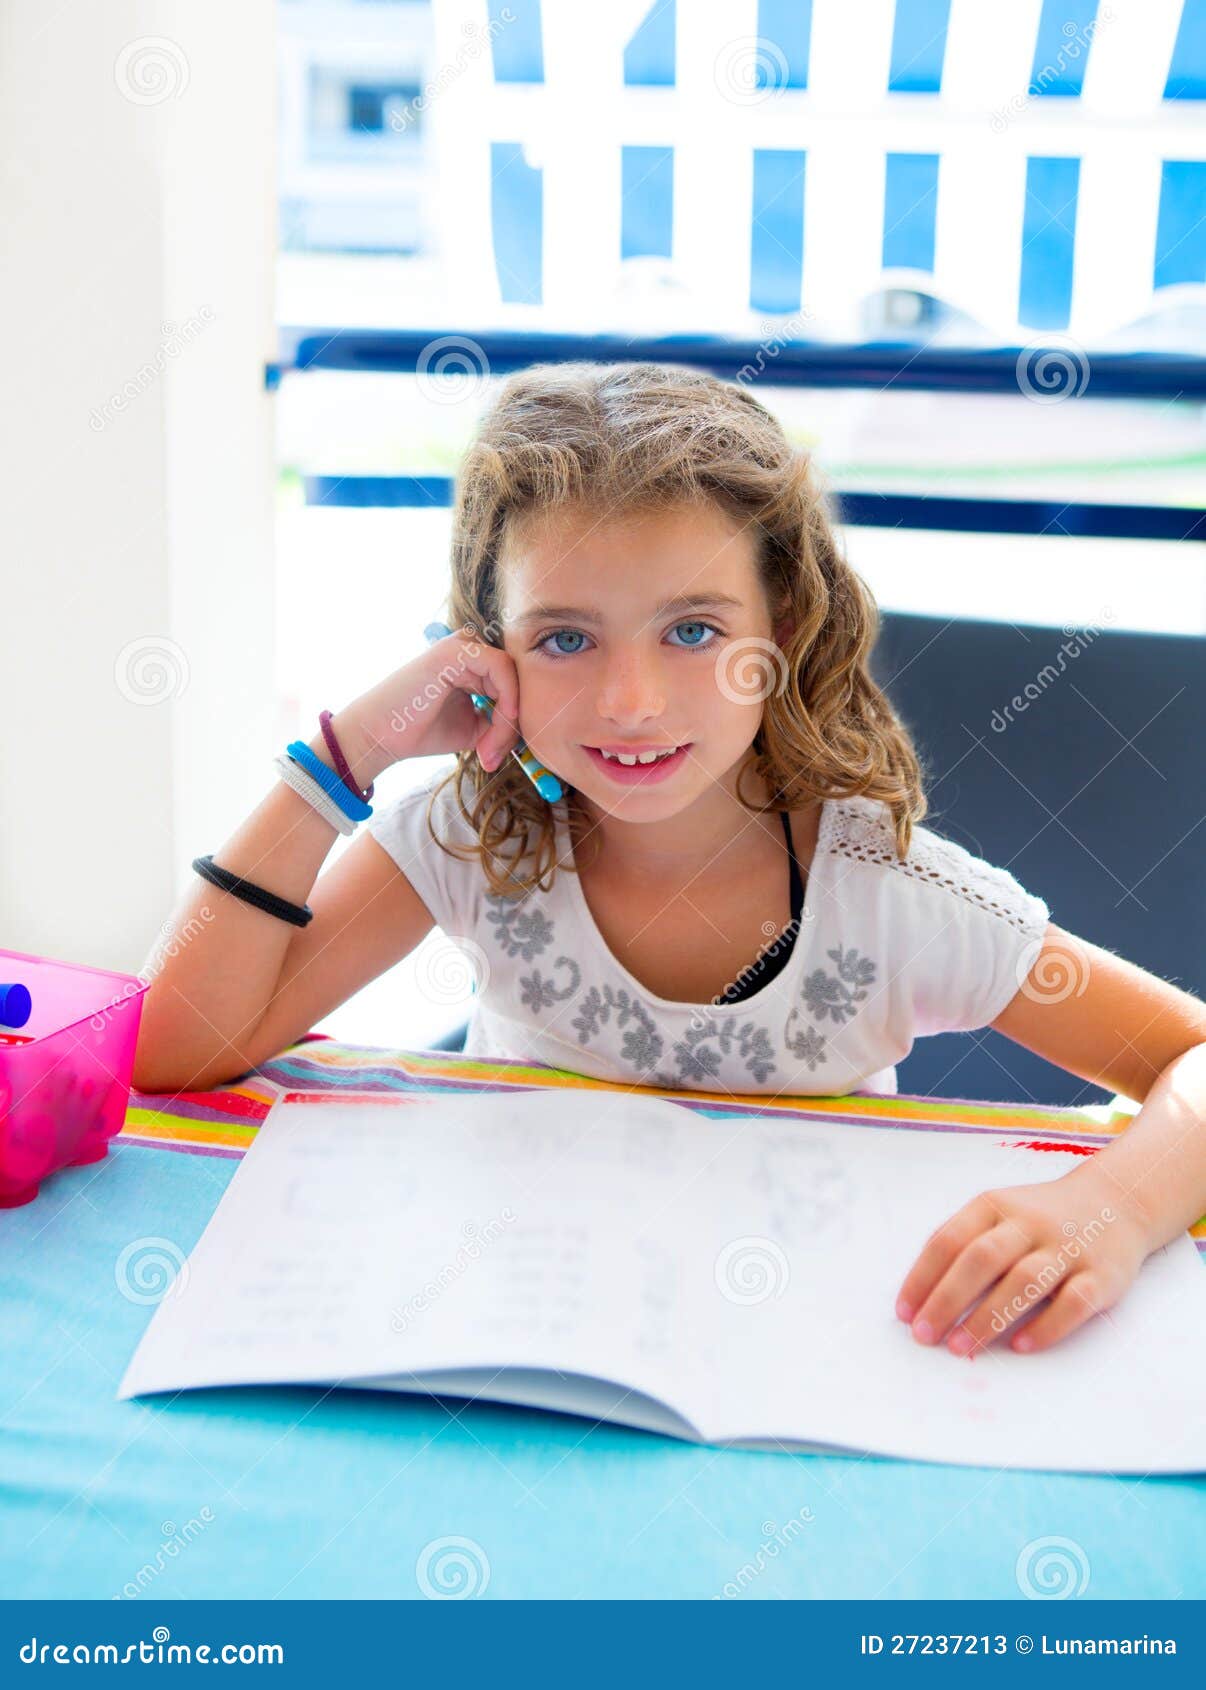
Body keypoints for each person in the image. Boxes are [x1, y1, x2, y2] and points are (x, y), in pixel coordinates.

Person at [133, 361, 1206, 1361]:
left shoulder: (893, 897)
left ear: (781, 628)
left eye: (692, 630)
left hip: (805, 1346)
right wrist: (342, 756)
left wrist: (1116, 1208)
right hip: (522, 1330)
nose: (631, 702)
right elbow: (173, 1052)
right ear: (485, 648)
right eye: (564, 637)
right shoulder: (467, 841)